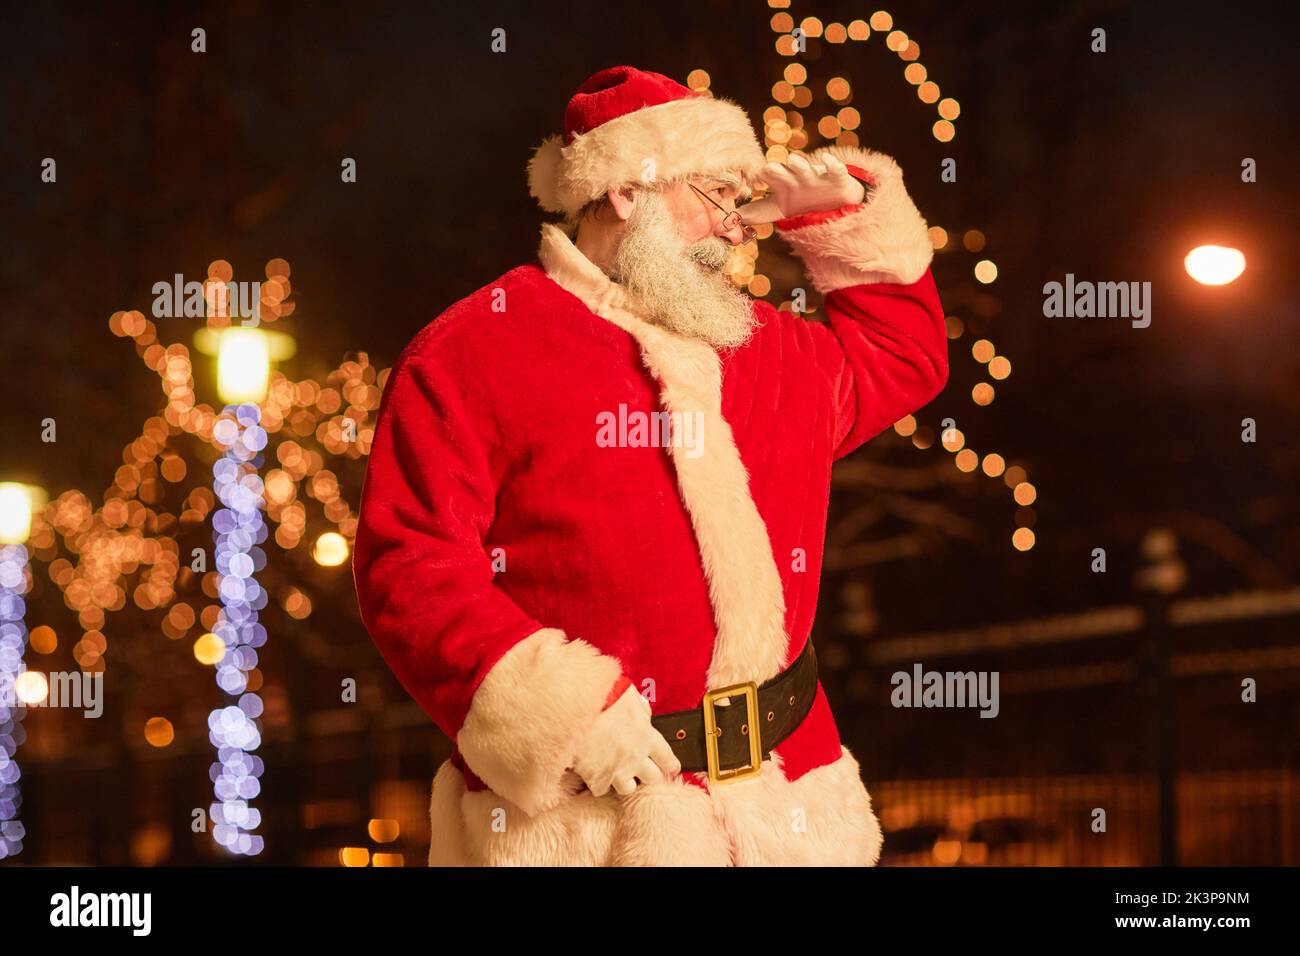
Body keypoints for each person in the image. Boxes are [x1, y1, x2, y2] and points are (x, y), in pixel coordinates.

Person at [352, 65, 948, 866]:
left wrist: (841, 219)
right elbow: (411, 565)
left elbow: (903, 357)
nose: (740, 228)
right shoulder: (472, 351)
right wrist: (560, 714)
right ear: (627, 189)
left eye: (744, 202)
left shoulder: (761, 348)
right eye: (718, 195)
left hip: (788, 811)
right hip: (587, 827)